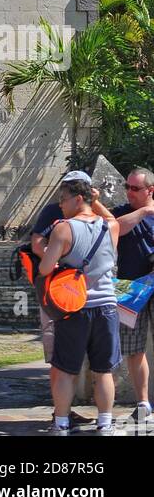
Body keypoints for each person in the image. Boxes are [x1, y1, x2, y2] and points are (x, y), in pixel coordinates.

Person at [39, 177, 120, 436]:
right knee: (103, 370)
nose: (60, 205)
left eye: (62, 199)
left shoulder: (63, 229)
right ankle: (105, 423)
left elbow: (43, 268)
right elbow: (113, 220)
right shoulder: (110, 227)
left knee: (65, 370)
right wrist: (97, 202)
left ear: (76, 199)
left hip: (74, 307)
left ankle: (61, 424)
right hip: (107, 306)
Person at [29, 169, 95, 429]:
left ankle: (64, 411)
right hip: (57, 293)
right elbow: (36, 241)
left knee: (80, 357)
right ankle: (61, 413)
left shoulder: (93, 213)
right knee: (57, 354)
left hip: (85, 296)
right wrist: (55, 260)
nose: (64, 195)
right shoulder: (53, 212)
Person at [96, 166, 154, 430]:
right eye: (127, 187)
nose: (129, 192)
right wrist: (142, 212)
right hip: (130, 287)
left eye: (135, 188)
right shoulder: (121, 212)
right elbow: (117, 228)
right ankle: (143, 404)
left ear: (150, 190)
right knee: (133, 348)